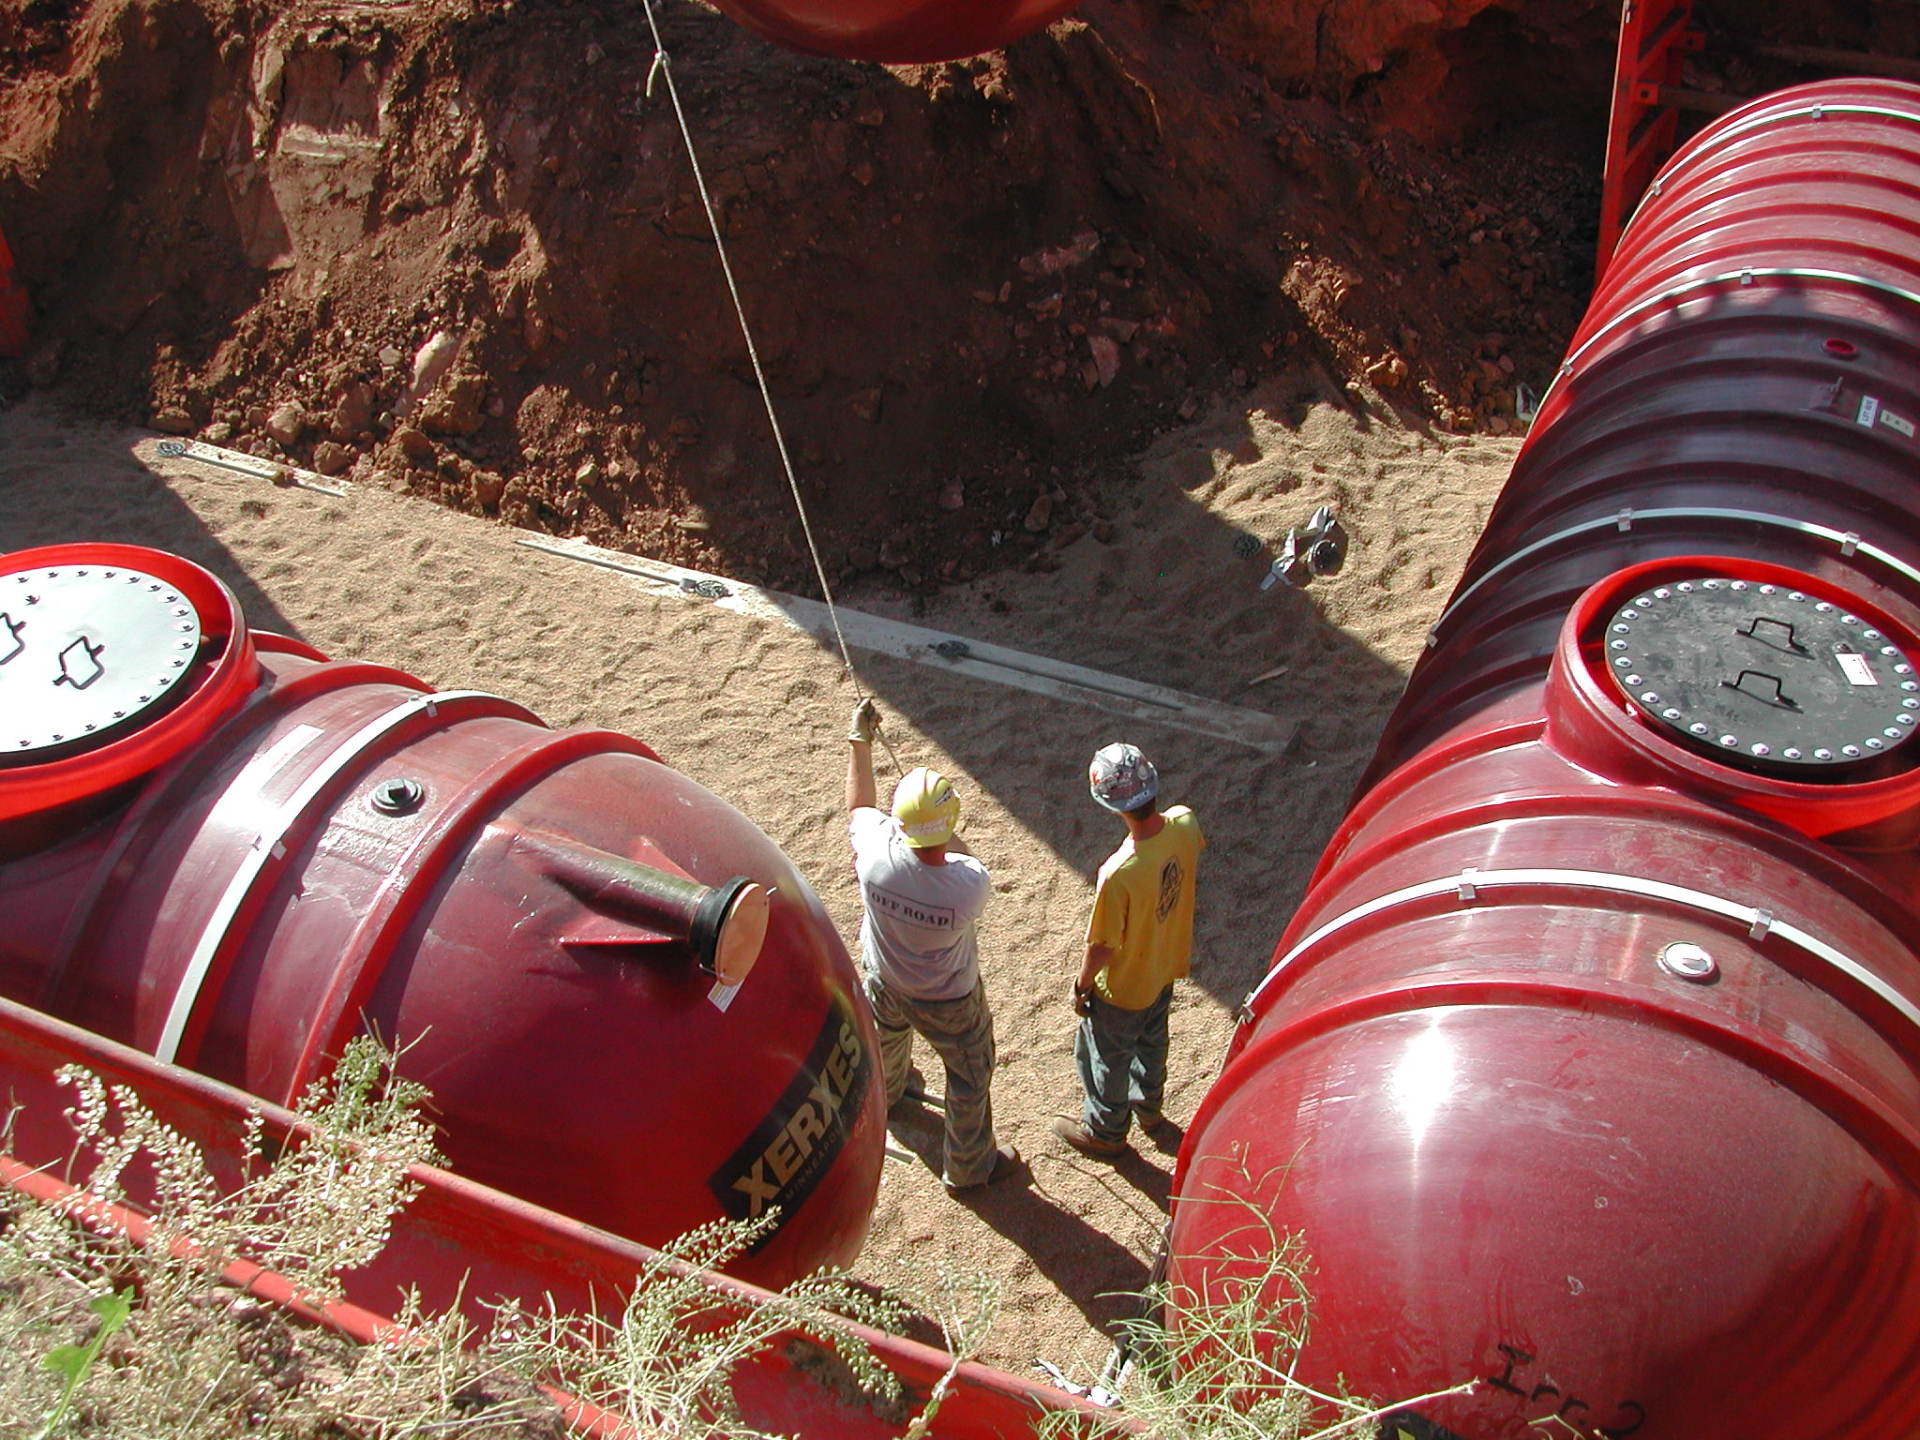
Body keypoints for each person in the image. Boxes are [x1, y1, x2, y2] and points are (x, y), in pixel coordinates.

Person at [845, 698, 1020, 1192]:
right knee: (969, 1075)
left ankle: (892, 1095)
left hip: (884, 976)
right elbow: (960, 855)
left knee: (886, 1040)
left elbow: (859, 806)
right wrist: (941, 830)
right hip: (949, 998)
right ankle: (968, 1167)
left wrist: (860, 742)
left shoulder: (874, 854)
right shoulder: (968, 885)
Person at [1053, 742, 1205, 1159]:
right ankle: (1150, 1108)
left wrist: (1082, 985)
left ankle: (1106, 1130)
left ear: (1110, 805)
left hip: (1121, 988)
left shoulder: (1118, 872)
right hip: (1164, 966)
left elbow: (1102, 945)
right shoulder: (1186, 822)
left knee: (1103, 1057)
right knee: (1154, 1041)